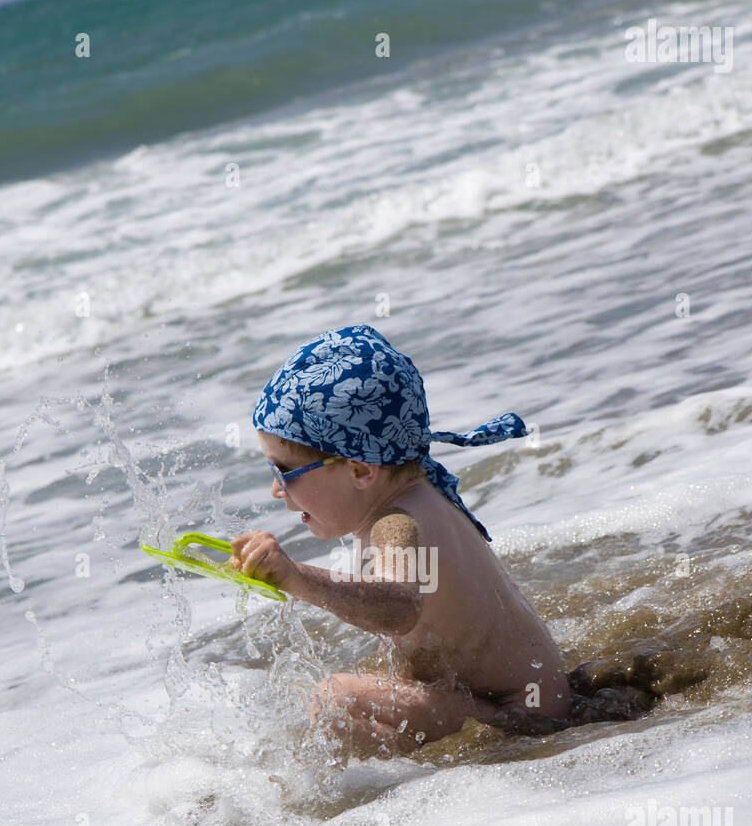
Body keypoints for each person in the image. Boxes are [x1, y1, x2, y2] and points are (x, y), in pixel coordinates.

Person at [228, 323, 570, 754]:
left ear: (359, 471)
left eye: (284, 472)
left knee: (334, 698)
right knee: (354, 703)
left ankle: (335, 813)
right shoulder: (417, 490)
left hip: (521, 716)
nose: (276, 490)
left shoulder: (396, 524)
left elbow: (399, 605)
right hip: (531, 700)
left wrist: (295, 577)